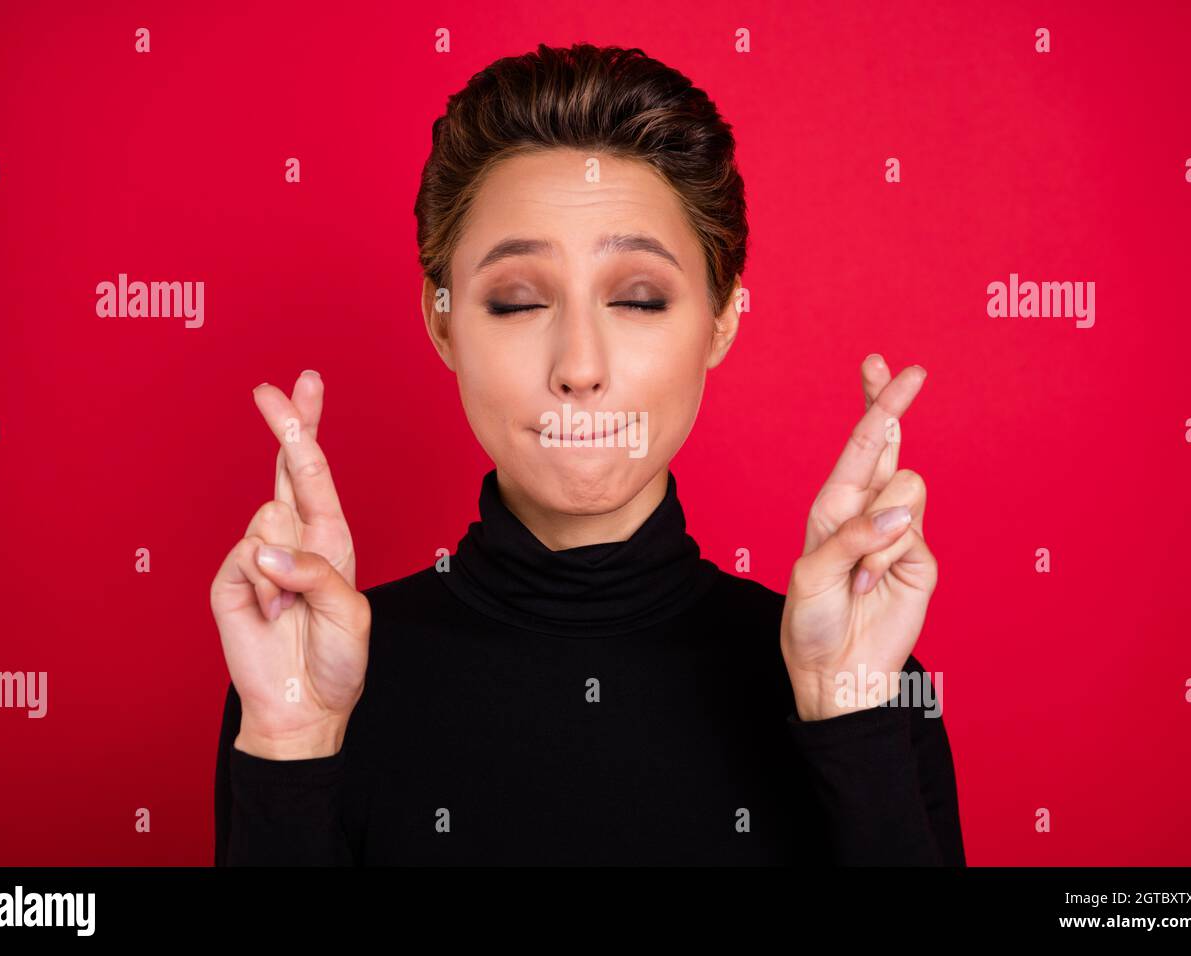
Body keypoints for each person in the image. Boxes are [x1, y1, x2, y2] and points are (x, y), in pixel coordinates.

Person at [210, 42, 964, 865]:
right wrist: (294, 740)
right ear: (443, 322)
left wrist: (850, 719)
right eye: (518, 300)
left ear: (720, 321)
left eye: (638, 299)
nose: (578, 368)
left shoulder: (863, 672)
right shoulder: (312, 671)